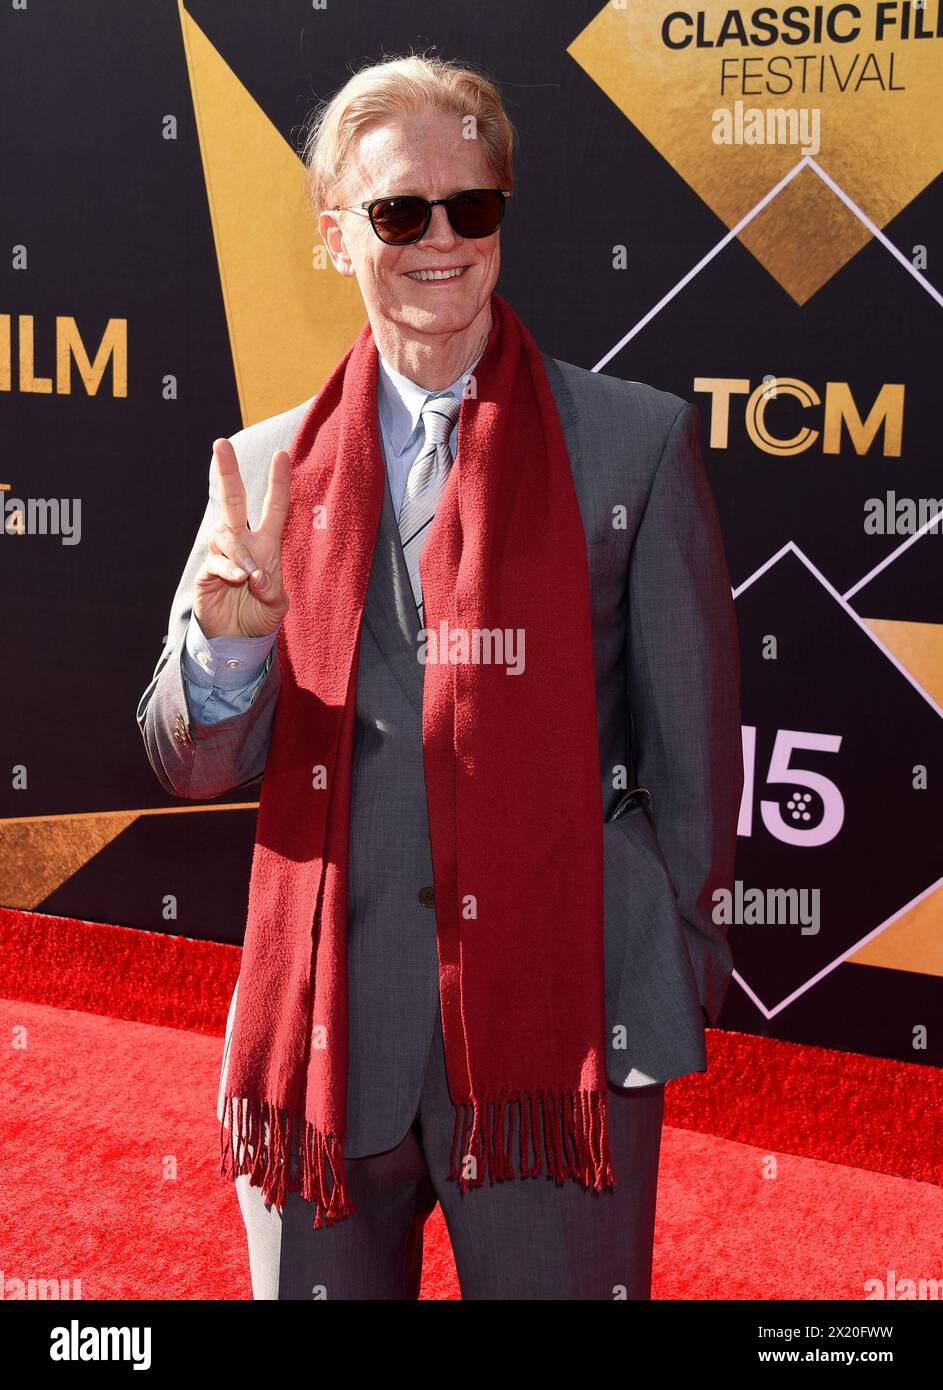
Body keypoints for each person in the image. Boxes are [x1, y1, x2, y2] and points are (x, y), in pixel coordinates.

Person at [136, 53, 743, 1301]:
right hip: (323, 1045)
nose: (440, 241)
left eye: (471, 206)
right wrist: (235, 640)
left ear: (501, 213)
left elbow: (694, 760)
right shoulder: (265, 470)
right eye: (399, 212)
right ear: (333, 235)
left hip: (553, 1045)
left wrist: (646, 963)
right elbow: (191, 757)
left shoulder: (631, 443)